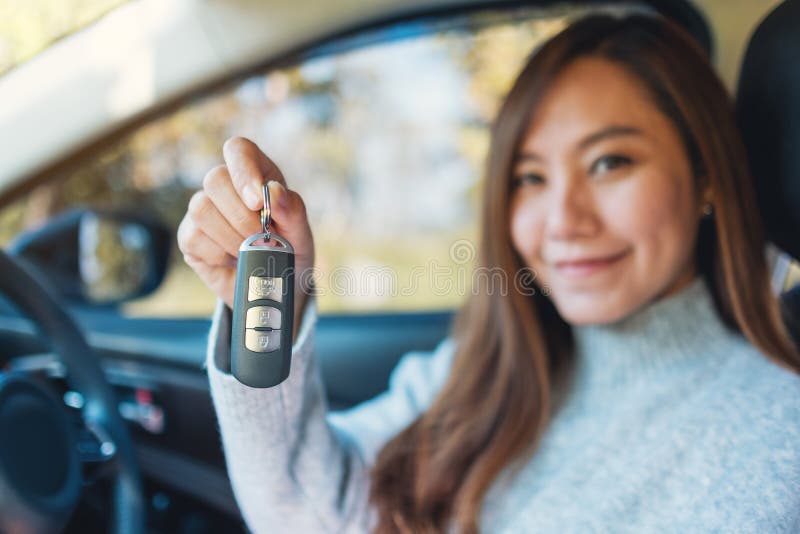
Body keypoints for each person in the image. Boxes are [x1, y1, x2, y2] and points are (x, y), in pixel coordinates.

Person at [176, 13, 800, 534]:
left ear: (707, 174)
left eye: (609, 163)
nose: (562, 220)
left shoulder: (776, 441)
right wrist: (269, 315)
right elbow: (307, 515)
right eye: (530, 178)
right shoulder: (484, 368)